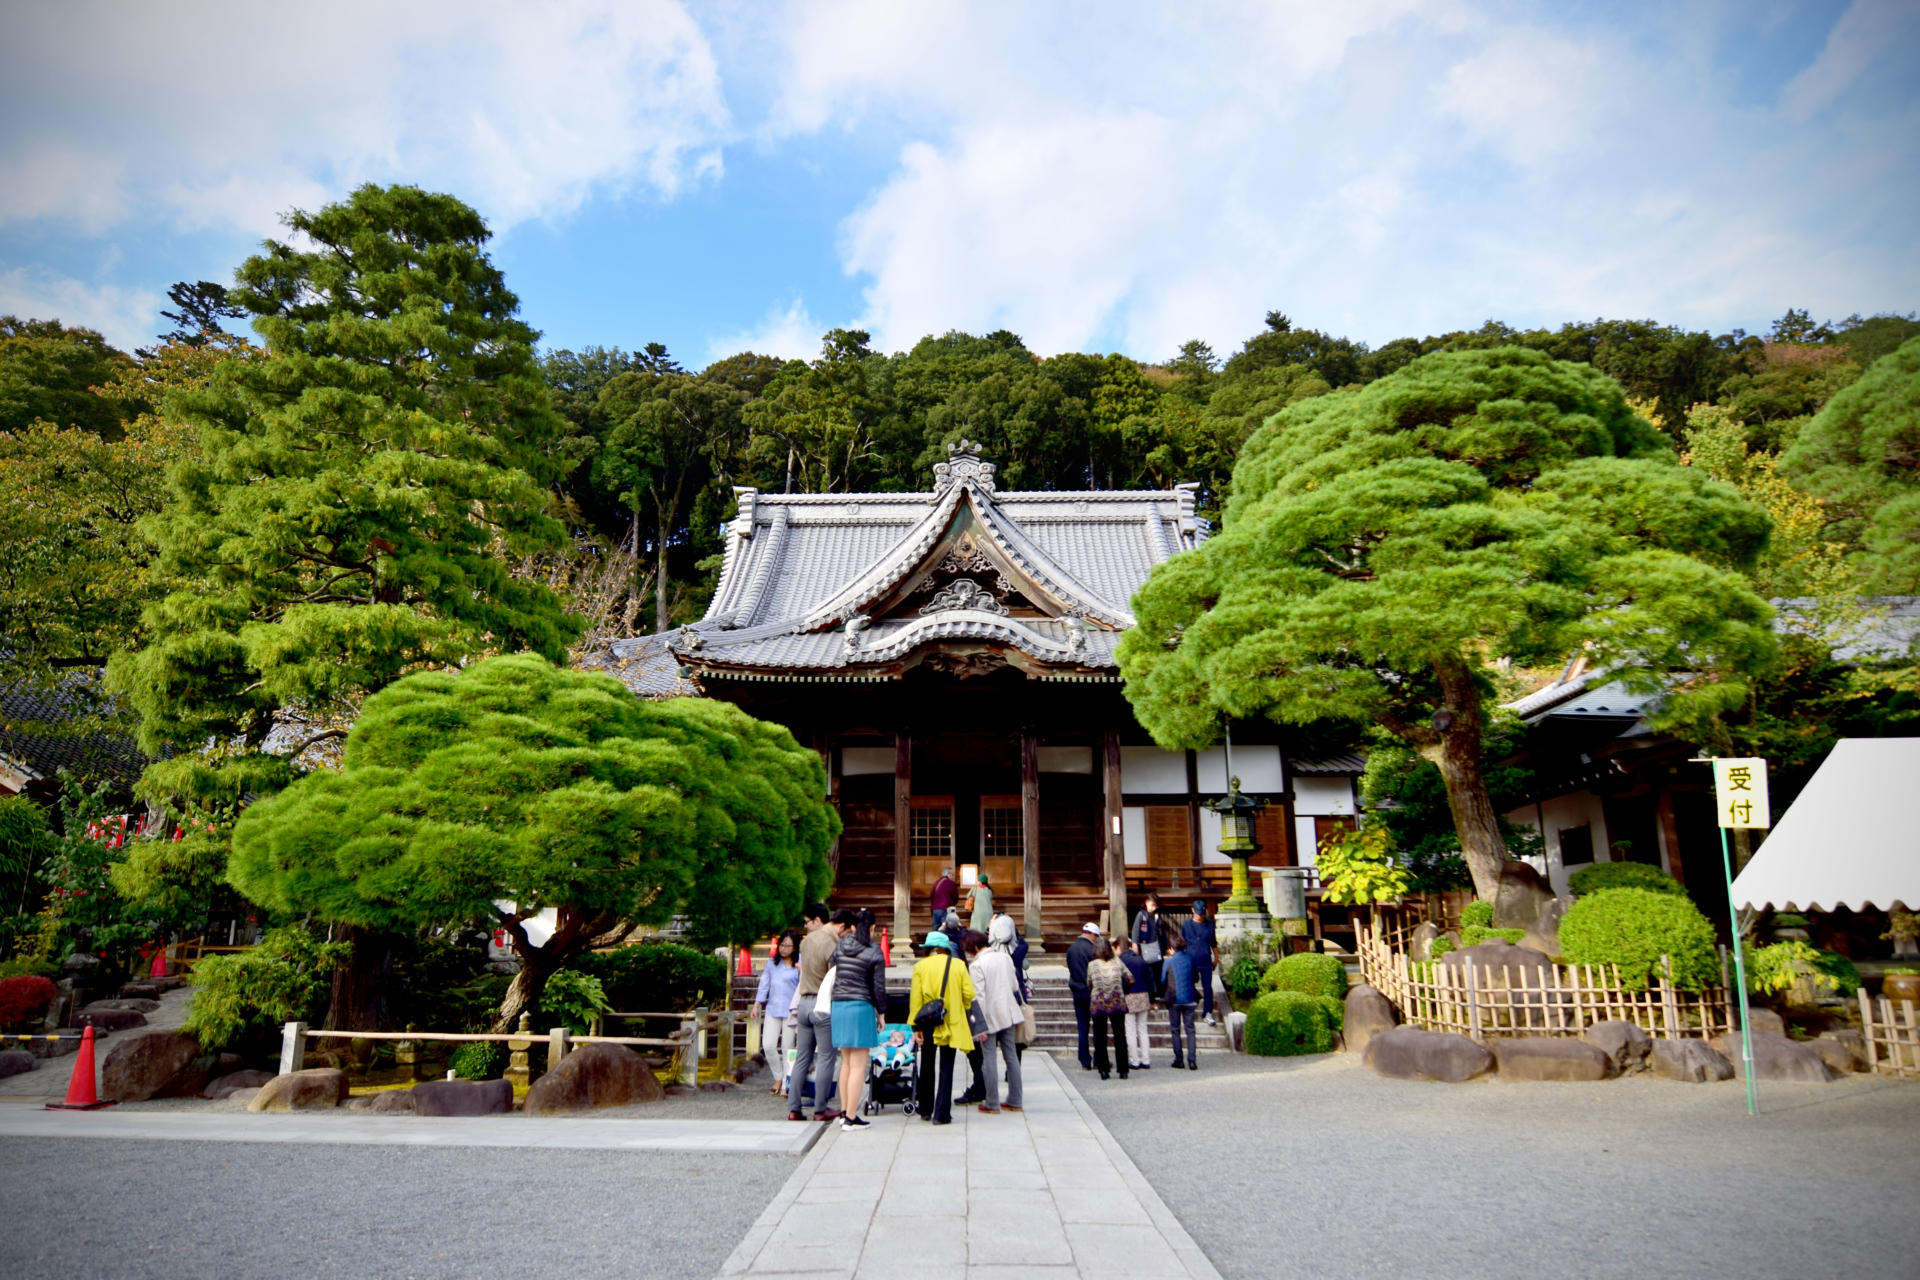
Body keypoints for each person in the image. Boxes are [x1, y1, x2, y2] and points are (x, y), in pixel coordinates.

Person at [908, 929, 977, 1124]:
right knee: (947, 1065)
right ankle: (941, 1113)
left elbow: (916, 999)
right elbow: (969, 993)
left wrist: (915, 1027)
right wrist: (960, 1007)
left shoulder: (920, 967)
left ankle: (925, 1108)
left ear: (929, 948)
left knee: (927, 1062)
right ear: (946, 948)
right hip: (951, 1019)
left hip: (928, 1020)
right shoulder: (958, 965)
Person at [828, 908, 887, 1130]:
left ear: (853, 927)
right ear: (872, 928)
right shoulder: (873, 951)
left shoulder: (841, 946)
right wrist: (881, 1012)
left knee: (846, 1063)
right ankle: (851, 1118)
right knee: (859, 1066)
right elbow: (878, 987)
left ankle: (844, 1112)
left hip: (839, 1005)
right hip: (860, 1006)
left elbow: (833, 969)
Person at [788, 902, 841, 1121]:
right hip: (822, 1003)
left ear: (818, 920)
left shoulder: (805, 943)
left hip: (803, 1002)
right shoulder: (830, 943)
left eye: (808, 922)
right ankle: (820, 1108)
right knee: (826, 1056)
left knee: (802, 1057)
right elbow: (834, 976)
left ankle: (794, 1108)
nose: (807, 927)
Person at [751, 930, 801, 1097]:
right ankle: (778, 1077)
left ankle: (788, 1082)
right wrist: (757, 1004)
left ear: (794, 948)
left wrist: (802, 972)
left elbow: (805, 985)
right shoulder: (772, 963)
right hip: (773, 1008)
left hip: (791, 1011)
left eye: (788, 945)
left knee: (788, 1047)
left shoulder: (800, 963)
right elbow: (764, 984)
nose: (784, 948)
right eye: (782, 945)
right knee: (769, 1045)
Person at [1087, 937, 1130, 1080]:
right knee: (1120, 1036)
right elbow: (1130, 978)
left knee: (1100, 1036)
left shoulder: (1092, 965)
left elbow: (1088, 982)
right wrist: (1122, 989)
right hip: (1117, 1001)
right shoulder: (1117, 962)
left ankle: (1103, 1069)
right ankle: (1123, 1069)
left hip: (1099, 1002)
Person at [1163, 930, 1199, 1070]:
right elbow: (1196, 978)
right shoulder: (1190, 959)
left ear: (1171, 948)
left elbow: (1162, 979)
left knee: (1175, 1029)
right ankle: (1192, 1060)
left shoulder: (1169, 962)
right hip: (1190, 997)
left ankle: (1179, 1059)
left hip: (1174, 998)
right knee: (1190, 1029)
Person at [1065, 922, 1099, 1070]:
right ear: (1092, 934)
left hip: (1077, 990)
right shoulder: (1093, 949)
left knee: (1082, 1027)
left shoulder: (1071, 949)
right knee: (1098, 1027)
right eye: (1096, 936)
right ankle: (1099, 1058)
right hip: (1092, 991)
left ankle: (1084, 1059)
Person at [1116, 935, 1152, 1071]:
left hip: (1129, 996)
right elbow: (1150, 980)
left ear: (1119, 947)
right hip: (1143, 994)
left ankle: (1134, 1060)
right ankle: (1146, 1059)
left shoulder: (1121, 961)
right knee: (1143, 1028)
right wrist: (1152, 998)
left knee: (1130, 1030)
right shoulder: (1141, 960)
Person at [1184, 900, 1220, 1025]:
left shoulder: (1209, 925)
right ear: (1192, 910)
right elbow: (1182, 942)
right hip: (1191, 960)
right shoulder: (1186, 925)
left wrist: (1216, 958)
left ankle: (1208, 1012)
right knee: (1189, 986)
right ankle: (1190, 1010)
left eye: (1202, 913)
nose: (1200, 916)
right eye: (1198, 913)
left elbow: (1213, 943)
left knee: (1207, 987)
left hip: (1205, 960)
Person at [1131, 892, 1171, 1001]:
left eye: (1155, 905)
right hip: (1145, 948)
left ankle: (1159, 993)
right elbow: (1136, 931)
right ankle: (1151, 996)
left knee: (1159, 972)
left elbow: (1162, 932)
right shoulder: (1141, 915)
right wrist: (1135, 944)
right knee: (1149, 974)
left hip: (1156, 948)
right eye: (1152, 904)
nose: (1154, 907)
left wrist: (1167, 946)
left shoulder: (1156, 916)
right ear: (1146, 902)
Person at [930, 866, 958, 933]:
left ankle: (935, 941)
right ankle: (942, 942)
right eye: (952, 874)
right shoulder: (951, 883)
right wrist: (953, 904)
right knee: (944, 927)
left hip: (935, 908)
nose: (952, 876)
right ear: (948, 874)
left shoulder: (936, 883)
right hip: (945, 908)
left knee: (936, 927)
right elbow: (955, 896)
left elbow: (931, 895)